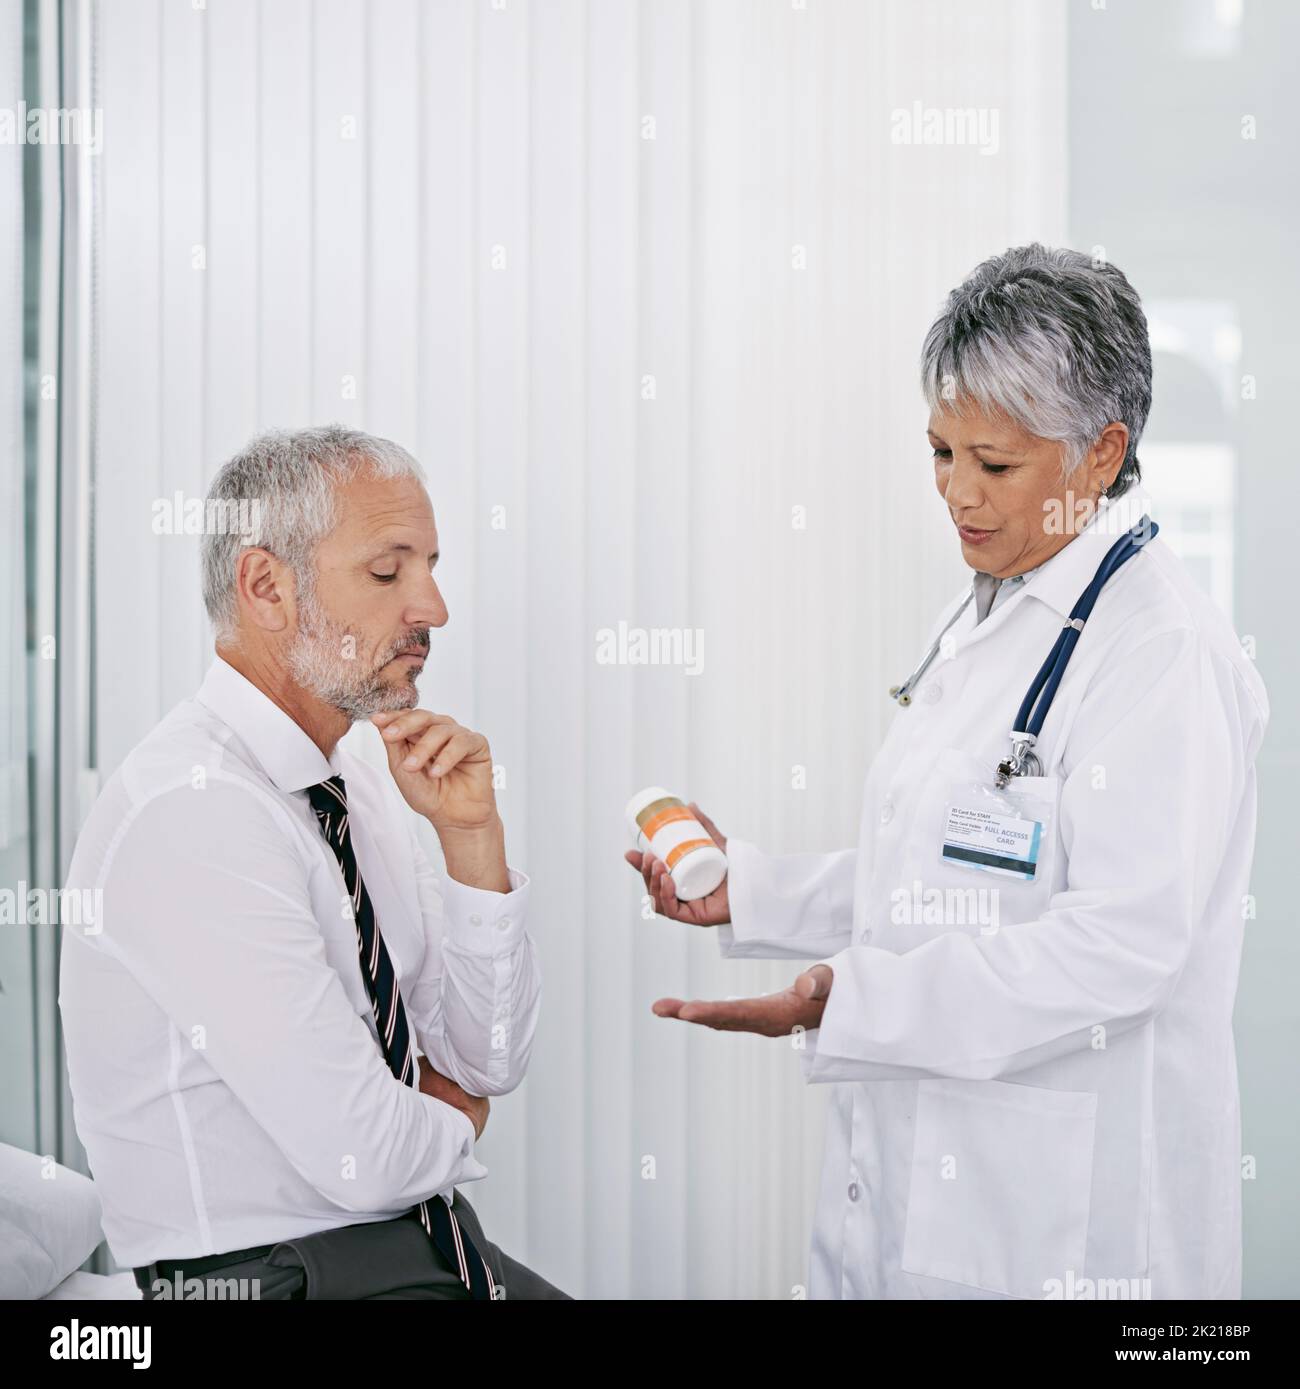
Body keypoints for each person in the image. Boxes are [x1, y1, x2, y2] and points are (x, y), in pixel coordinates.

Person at [628, 244, 1269, 1301]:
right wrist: (758, 889)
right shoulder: (993, 609)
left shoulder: (1161, 652)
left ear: (1102, 453)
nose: (957, 495)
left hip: (1065, 1229)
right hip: (925, 1191)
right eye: (939, 451)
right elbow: (952, 871)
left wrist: (847, 995)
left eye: (995, 464)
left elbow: (1122, 947)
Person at [60, 425, 567, 1299]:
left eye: (432, 566)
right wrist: (460, 1120)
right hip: (276, 1278)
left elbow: (487, 1059)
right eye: (388, 571)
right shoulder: (195, 808)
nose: (434, 608)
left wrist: (471, 843)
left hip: (419, 1244)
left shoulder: (357, 784)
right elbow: (363, 1156)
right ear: (267, 586)